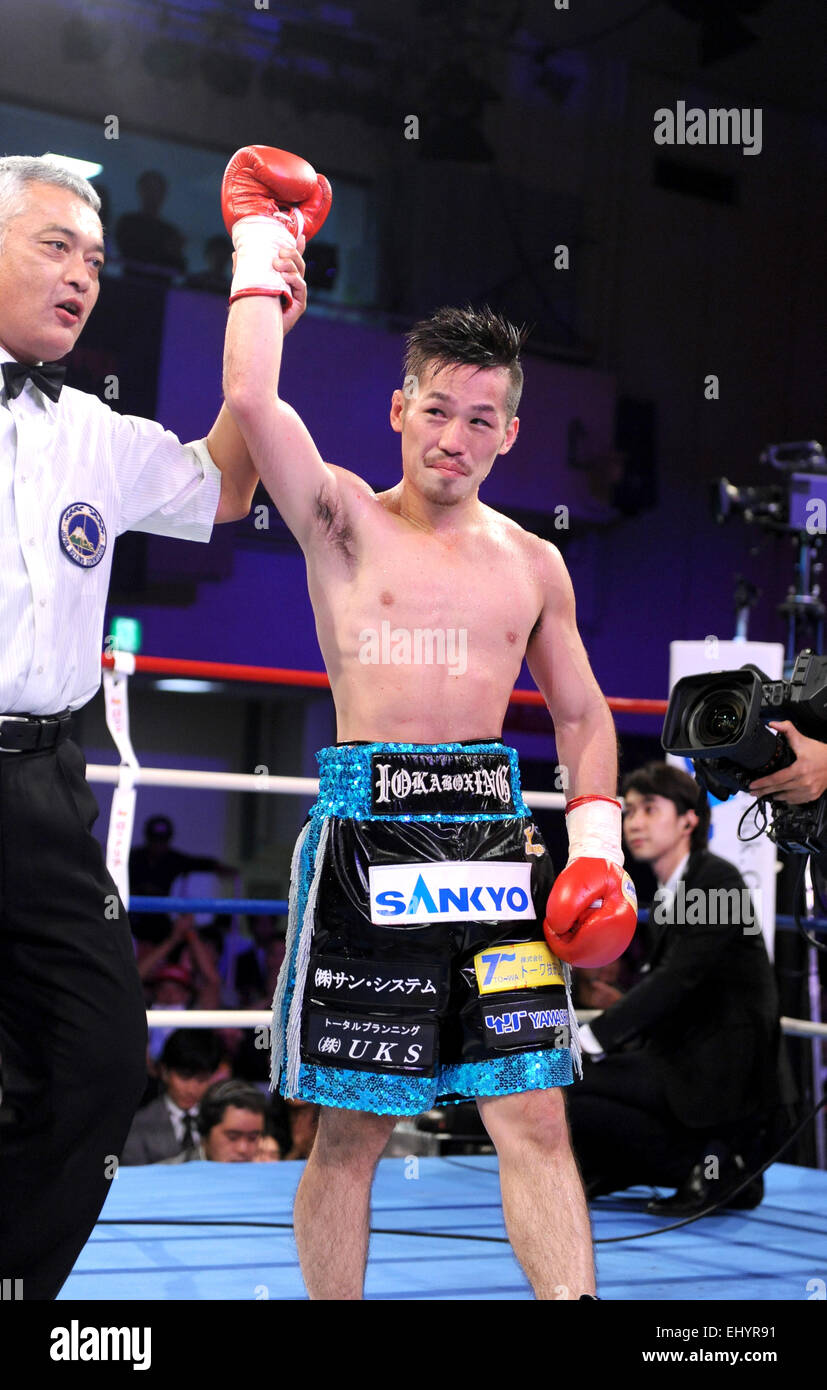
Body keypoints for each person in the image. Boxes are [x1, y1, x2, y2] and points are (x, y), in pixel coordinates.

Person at [220, 145, 638, 1300]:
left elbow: (585, 715)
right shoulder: (343, 519)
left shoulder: (533, 561)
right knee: (351, 1131)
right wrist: (264, 252)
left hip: (494, 856)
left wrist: (597, 846)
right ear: (400, 407)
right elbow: (253, 399)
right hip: (367, 844)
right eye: (436, 410)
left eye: (480, 419)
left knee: (533, 1112)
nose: (452, 437)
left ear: (510, 432)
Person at [0, 154, 306, 1300]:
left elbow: (227, 485)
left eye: (95, 258)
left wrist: (260, 292)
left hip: (41, 784)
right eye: (53, 246)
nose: (82, 276)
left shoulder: (94, 430)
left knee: (93, 1056)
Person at [567, 762, 785, 1215]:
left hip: (720, 1067)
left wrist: (592, 1038)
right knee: (567, 1085)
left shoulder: (715, 880)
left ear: (689, 819)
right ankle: (635, 1166)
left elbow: (677, 978)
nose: (635, 823)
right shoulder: (673, 885)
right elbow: (669, 982)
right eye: (629, 812)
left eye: (650, 808)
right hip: (680, 1056)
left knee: (568, 1084)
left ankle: (713, 1170)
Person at [121, 1028, 223, 1165]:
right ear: (164, 1072)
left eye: (202, 1079)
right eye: (184, 1077)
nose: (192, 1089)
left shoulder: (222, 1120)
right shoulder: (137, 1125)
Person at [129, 813, 235, 944]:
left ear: (168, 840)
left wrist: (219, 867)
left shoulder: (173, 860)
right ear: (148, 838)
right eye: (154, 840)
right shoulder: (133, 858)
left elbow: (197, 863)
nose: (158, 845)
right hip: (133, 916)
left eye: (162, 840)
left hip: (161, 919)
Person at [163, 1079, 268, 1163]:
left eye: (252, 1138)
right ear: (204, 1132)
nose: (243, 1149)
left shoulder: (267, 1180)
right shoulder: (167, 1179)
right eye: (232, 1137)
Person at [114, 169, 187, 279]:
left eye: (156, 190)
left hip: (158, 289)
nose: (152, 195)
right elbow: (127, 253)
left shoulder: (170, 232)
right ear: (140, 191)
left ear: (163, 194)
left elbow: (178, 268)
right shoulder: (127, 222)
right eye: (148, 189)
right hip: (128, 284)